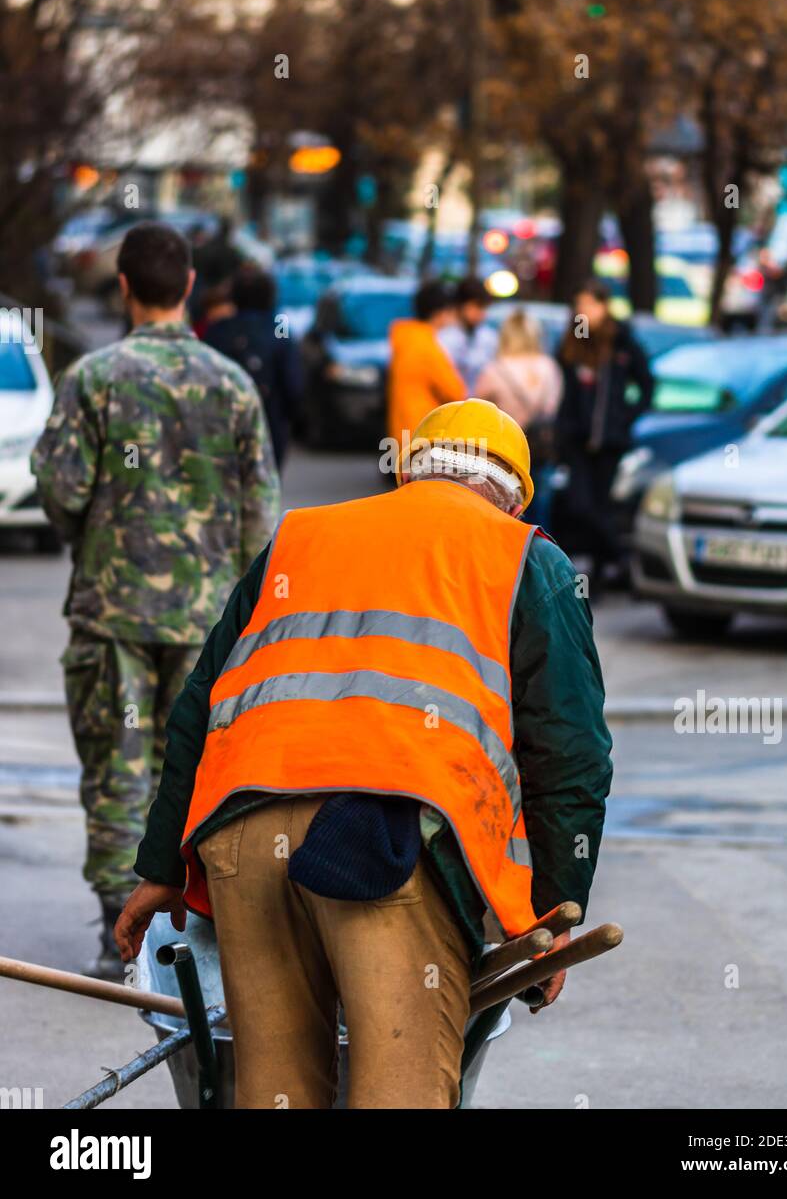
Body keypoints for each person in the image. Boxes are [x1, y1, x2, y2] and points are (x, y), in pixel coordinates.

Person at [115, 398, 613, 1110]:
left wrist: (161, 869)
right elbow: (571, 753)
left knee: (275, 1097)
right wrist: (552, 912)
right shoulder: (525, 556)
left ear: (410, 476)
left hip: (243, 841)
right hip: (382, 851)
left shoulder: (303, 536)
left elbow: (198, 706)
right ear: (509, 496)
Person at [32, 222, 281, 978]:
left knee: (116, 765)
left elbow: (61, 488)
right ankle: (191, 927)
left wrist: (98, 538)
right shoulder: (232, 383)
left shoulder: (96, 378)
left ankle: (119, 922)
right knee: (198, 769)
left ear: (125, 287)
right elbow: (261, 512)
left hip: (113, 610)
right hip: (208, 620)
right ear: (192, 283)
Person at [555, 279, 653, 593]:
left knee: (600, 504)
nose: (583, 311)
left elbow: (646, 384)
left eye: (589, 304)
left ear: (603, 306)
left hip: (609, 441)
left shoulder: (621, 342)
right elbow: (565, 392)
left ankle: (600, 571)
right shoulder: (572, 342)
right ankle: (623, 558)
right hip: (578, 440)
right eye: (579, 305)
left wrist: (624, 418)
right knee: (581, 505)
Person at [203, 267, 304, 467]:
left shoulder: (218, 330)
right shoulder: (279, 329)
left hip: (224, 426)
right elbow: (293, 384)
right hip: (270, 423)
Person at [476, 309, 563, 531]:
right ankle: (540, 557)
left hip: (504, 454)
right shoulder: (549, 367)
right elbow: (552, 407)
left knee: (507, 511)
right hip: (541, 449)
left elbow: (475, 408)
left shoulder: (495, 369)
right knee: (541, 510)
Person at [386, 279, 467, 458]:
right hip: (423, 436)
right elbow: (455, 392)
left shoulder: (405, 339)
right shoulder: (428, 347)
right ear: (440, 313)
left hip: (401, 433)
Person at [437, 274, 499, 391]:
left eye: (484, 307)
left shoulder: (488, 337)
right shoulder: (444, 338)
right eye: (476, 306)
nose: (481, 313)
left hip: (480, 405)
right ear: (461, 305)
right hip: (451, 406)